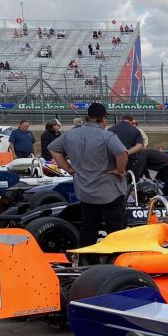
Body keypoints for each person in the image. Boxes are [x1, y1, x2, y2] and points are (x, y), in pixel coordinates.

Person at [47, 102, 130, 247]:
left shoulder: (71, 134)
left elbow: (52, 148)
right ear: (103, 118)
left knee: (88, 228)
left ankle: (86, 257)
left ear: (88, 117)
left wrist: (68, 168)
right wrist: (120, 170)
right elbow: (122, 153)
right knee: (116, 230)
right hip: (109, 192)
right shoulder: (107, 136)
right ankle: (117, 257)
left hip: (85, 192)